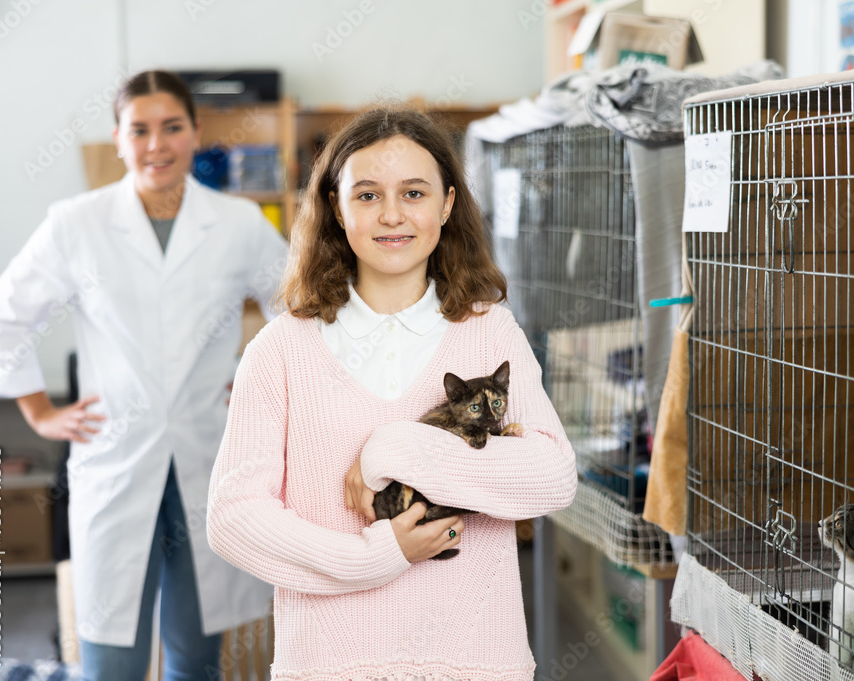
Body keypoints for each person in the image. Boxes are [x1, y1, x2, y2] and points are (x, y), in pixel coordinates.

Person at [206, 108, 578, 681]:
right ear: (336, 206)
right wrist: (376, 557)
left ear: (447, 204)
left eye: (413, 192)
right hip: (330, 665)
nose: (392, 215)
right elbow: (234, 518)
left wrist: (395, 448)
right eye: (367, 195)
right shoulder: (279, 350)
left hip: (474, 661)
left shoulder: (490, 331)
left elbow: (551, 474)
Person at [0, 70, 285, 680]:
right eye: (139, 130)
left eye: (172, 127)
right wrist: (40, 412)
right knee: (110, 659)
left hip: (208, 453)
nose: (156, 144)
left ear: (196, 133)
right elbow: (3, 316)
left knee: (195, 660)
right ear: (118, 137)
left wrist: (257, 380)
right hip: (114, 455)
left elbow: (298, 313)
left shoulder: (238, 224)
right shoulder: (77, 223)